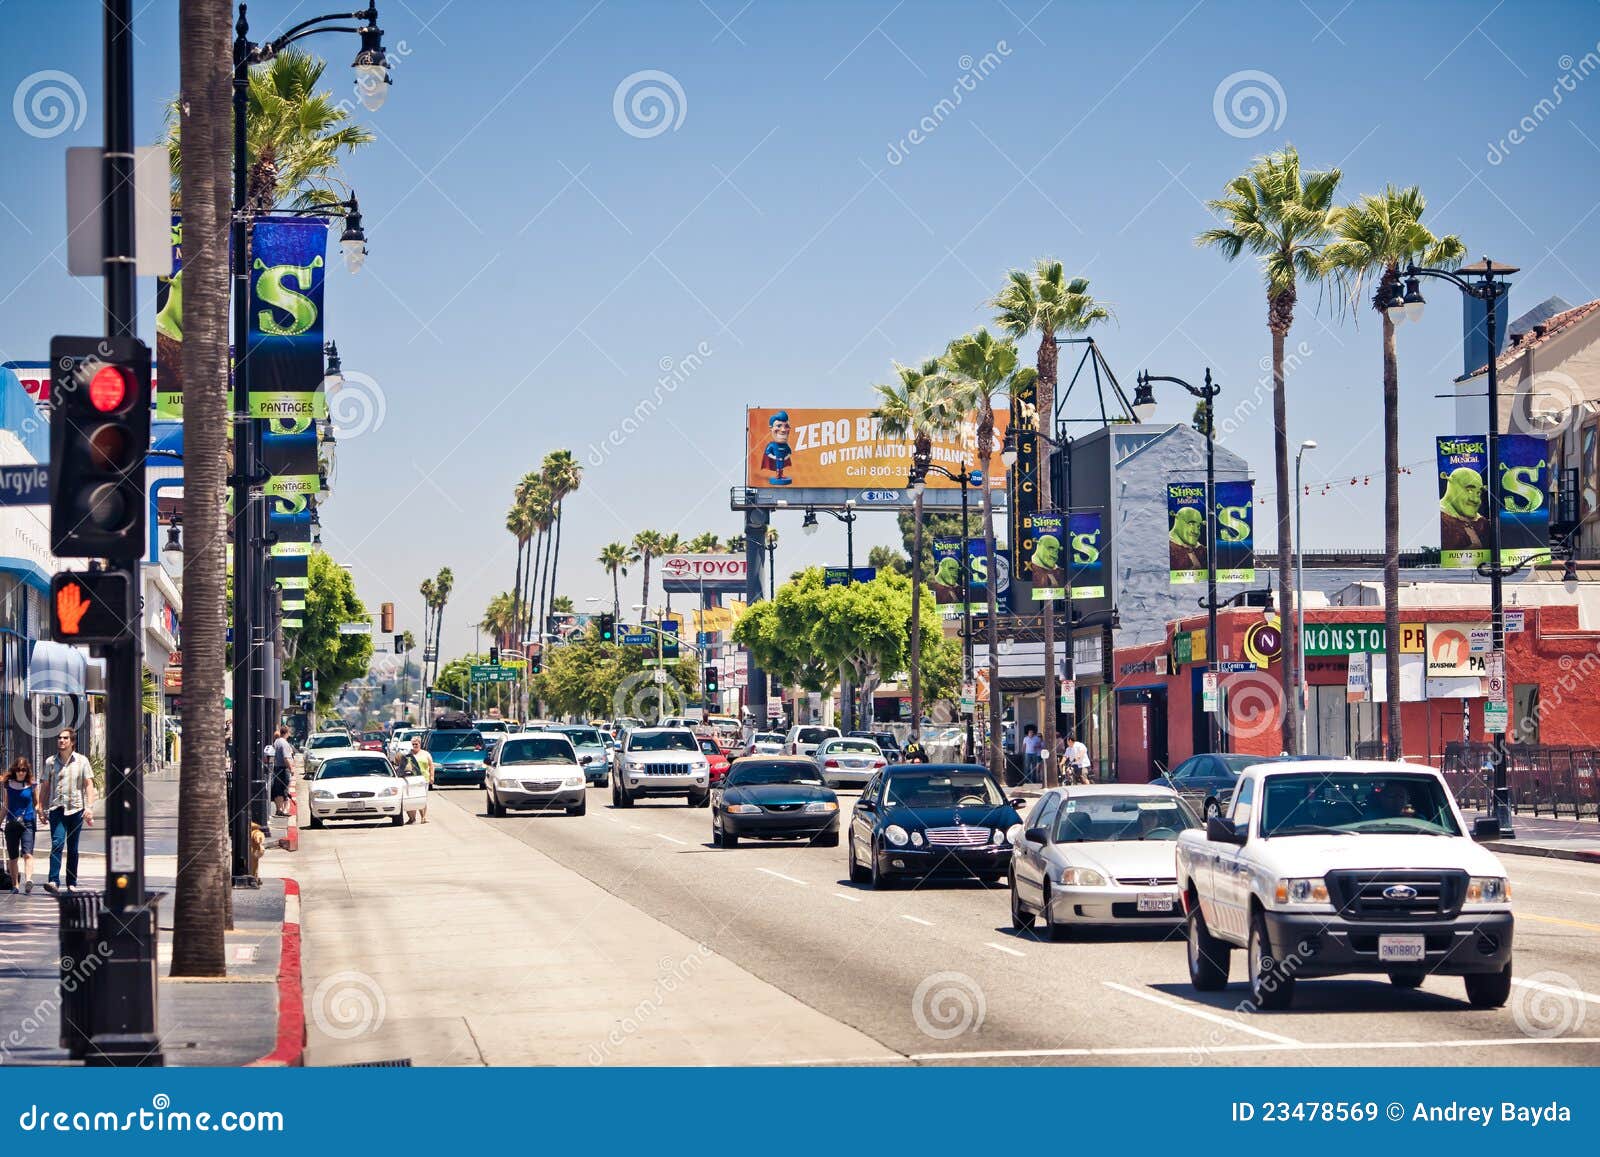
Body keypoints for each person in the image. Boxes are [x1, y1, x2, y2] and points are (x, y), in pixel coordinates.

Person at [39, 727, 93, 896]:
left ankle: (71, 882)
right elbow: (45, 786)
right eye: (59, 738)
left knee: (73, 848)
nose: (61, 741)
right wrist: (40, 807)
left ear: (72, 742)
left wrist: (89, 807)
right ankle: (53, 880)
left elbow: (89, 784)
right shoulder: (50, 762)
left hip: (76, 809)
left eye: (65, 738)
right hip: (57, 809)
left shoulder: (82, 761)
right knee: (57, 843)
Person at [5, 757, 38, 894]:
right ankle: (15, 885)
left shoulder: (32, 785)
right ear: (14, 770)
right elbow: (5, 806)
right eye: (18, 769)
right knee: (13, 857)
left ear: (27, 771)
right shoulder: (8, 785)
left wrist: (37, 813)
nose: (21, 772)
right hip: (11, 823)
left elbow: (37, 802)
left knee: (27, 853)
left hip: (28, 823)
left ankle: (28, 880)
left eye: (23, 770)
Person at [399, 735, 434, 824]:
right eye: (413, 744)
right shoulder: (408, 755)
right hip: (412, 779)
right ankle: (412, 818)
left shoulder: (426, 754)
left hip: (424, 779)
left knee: (422, 799)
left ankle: (423, 818)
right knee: (411, 799)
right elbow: (403, 766)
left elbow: (431, 765)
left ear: (420, 744)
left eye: (416, 744)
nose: (415, 745)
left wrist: (432, 776)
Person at [271, 726, 295, 816]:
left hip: (277, 767)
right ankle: (284, 810)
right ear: (287, 733)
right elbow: (286, 758)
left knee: (278, 789)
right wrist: (291, 768)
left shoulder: (276, 741)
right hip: (283, 769)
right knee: (285, 789)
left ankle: (278, 809)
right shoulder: (284, 743)